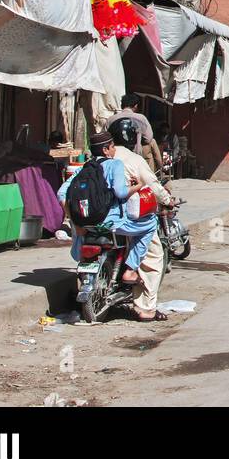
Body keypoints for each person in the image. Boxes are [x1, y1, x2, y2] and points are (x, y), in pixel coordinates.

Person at [59, 131, 165, 320]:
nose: (115, 150)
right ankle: (131, 270)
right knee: (150, 224)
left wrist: (75, 223)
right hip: (113, 222)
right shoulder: (114, 164)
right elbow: (121, 192)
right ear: (107, 149)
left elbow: (61, 194)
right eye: (112, 147)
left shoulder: (84, 167)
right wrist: (138, 186)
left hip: (87, 224)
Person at [107, 118, 174, 320]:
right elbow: (152, 184)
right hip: (127, 218)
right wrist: (167, 200)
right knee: (153, 255)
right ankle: (145, 307)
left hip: (98, 217)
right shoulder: (133, 159)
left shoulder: (98, 157)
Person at [106, 94, 161, 176]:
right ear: (135, 106)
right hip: (136, 155)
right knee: (151, 143)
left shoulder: (111, 119)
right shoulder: (141, 118)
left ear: (122, 105)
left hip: (117, 155)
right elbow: (148, 138)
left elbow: (106, 137)